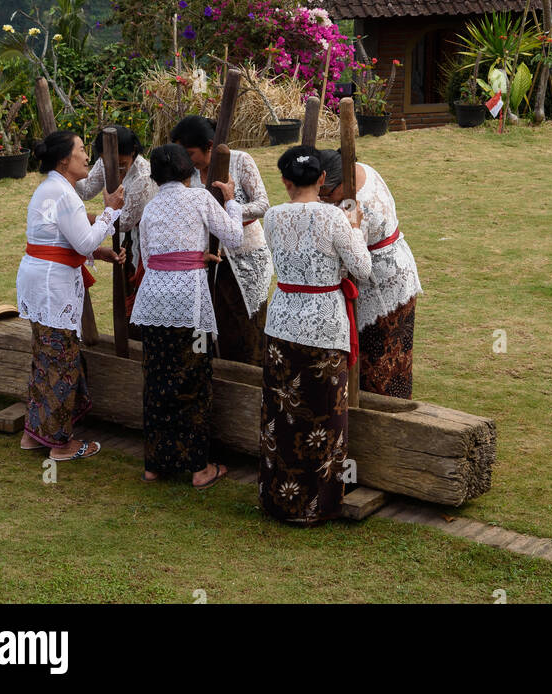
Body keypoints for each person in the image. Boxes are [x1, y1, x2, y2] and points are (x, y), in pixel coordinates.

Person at [259, 145, 371, 525]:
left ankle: (279, 499)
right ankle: (318, 505)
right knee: (324, 417)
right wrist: (356, 230)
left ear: (286, 181)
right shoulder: (335, 218)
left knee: (282, 414)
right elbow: (362, 268)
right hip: (324, 323)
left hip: (281, 322)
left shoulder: (272, 217)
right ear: (323, 179)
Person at [130, 143, 244, 489]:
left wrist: (192, 258)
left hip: (153, 302)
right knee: (193, 379)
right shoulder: (198, 198)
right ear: (187, 172)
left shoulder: (150, 208)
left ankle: (155, 463)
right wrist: (232, 201)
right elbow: (235, 237)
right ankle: (198, 467)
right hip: (189, 303)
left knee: (157, 379)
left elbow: (149, 258)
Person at [17, 131, 125, 461]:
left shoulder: (55, 188)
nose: (85, 156)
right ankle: (61, 445)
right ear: (64, 159)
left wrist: (99, 252)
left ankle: (34, 435)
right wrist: (110, 211)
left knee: (45, 359)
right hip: (52, 288)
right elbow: (82, 242)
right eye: (80, 150)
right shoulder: (62, 193)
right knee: (60, 362)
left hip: (42, 282)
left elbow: (66, 238)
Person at [318, 149, 422, 399]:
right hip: (397, 269)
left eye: (327, 193)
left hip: (382, 284)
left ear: (343, 181)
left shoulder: (353, 206)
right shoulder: (360, 170)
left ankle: (385, 419)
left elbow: (353, 264)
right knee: (388, 355)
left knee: (381, 363)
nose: (323, 200)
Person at [170, 115, 272, 365]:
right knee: (212, 323)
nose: (186, 160)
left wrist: (229, 208)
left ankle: (249, 382)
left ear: (210, 146)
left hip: (246, 258)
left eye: (191, 153)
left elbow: (262, 205)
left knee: (248, 326)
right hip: (207, 259)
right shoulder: (186, 173)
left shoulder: (240, 161)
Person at [76, 127, 156, 328]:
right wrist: (68, 171)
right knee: (124, 294)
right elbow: (86, 190)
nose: (118, 170)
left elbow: (126, 221)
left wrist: (89, 217)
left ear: (133, 153)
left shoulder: (143, 176)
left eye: (122, 165)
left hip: (143, 245)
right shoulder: (104, 163)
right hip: (122, 241)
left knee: (139, 296)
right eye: (111, 163)